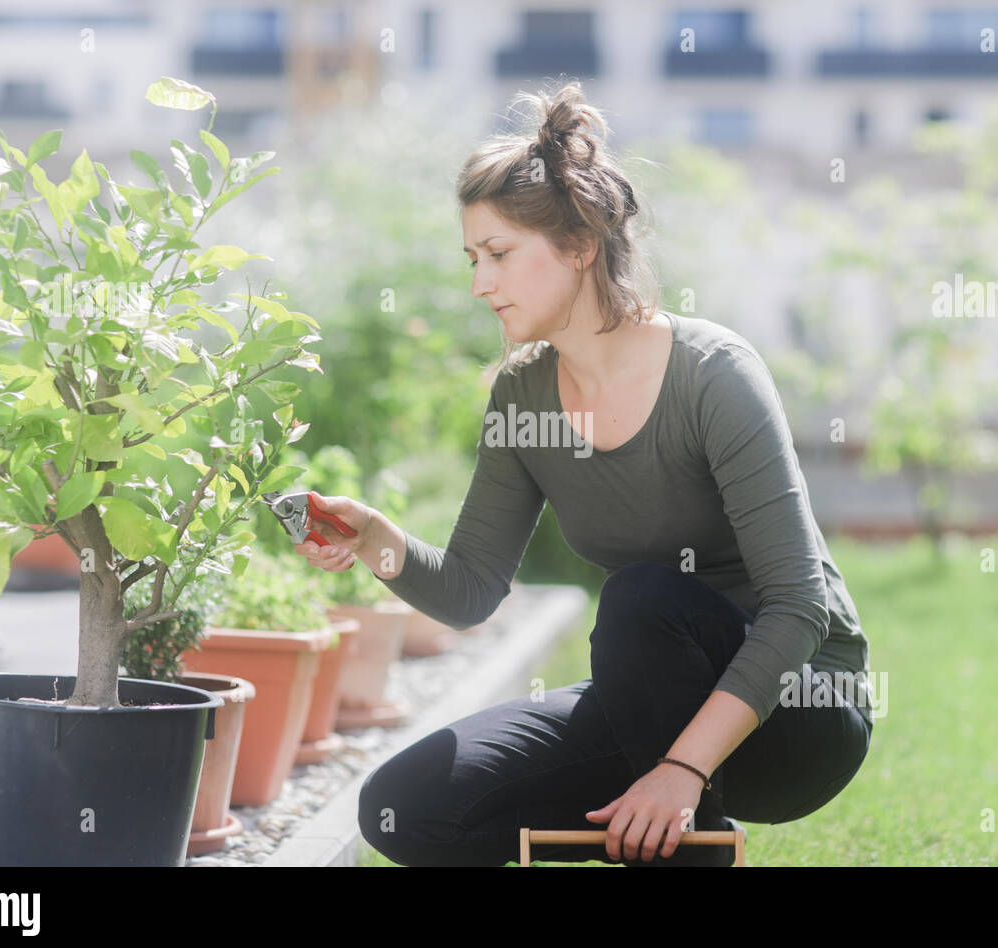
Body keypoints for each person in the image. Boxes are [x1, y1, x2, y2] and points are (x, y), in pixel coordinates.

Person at [293, 80, 874, 867]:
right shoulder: (522, 392)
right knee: (404, 808)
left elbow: (800, 606)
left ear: (579, 245)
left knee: (640, 596)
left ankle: (685, 825)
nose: (478, 284)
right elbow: (471, 591)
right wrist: (373, 539)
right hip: (650, 705)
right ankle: (682, 836)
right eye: (472, 259)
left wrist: (680, 768)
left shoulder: (713, 375)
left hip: (799, 710)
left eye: (498, 255)